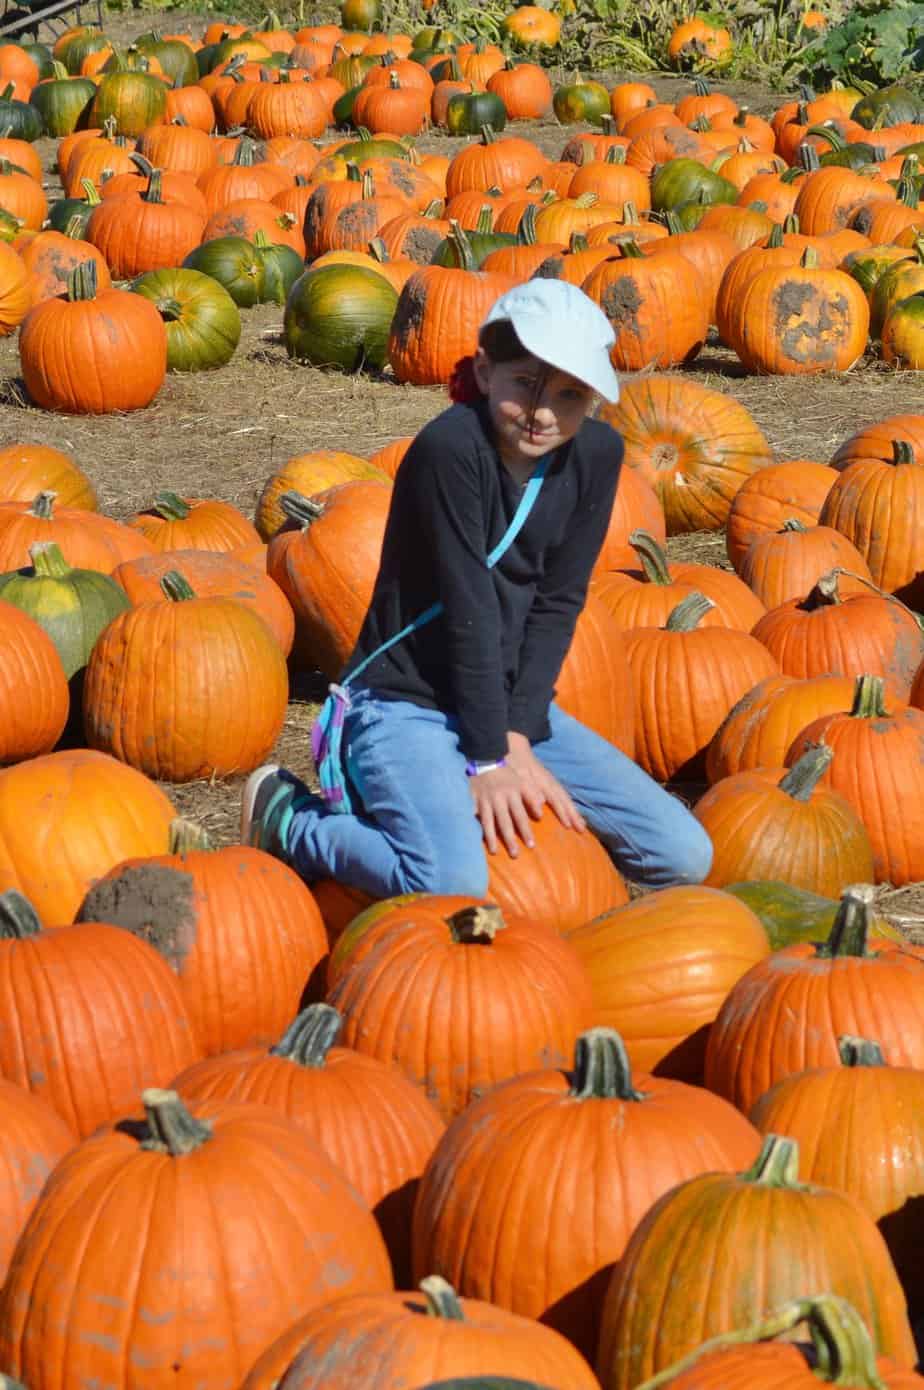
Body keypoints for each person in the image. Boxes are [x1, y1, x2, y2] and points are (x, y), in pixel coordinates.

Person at [242, 279, 713, 896]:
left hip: (509, 703)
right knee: (449, 881)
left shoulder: (596, 456)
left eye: (570, 395)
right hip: (404, 703)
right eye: (527, 384)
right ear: (487, 371)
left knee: (683, 855)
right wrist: (491, 757)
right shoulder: (450, 450)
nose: (545, 412)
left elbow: (557, 602)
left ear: (594, 400)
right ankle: (293, 822)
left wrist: (517, 733)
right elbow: (470, 607)